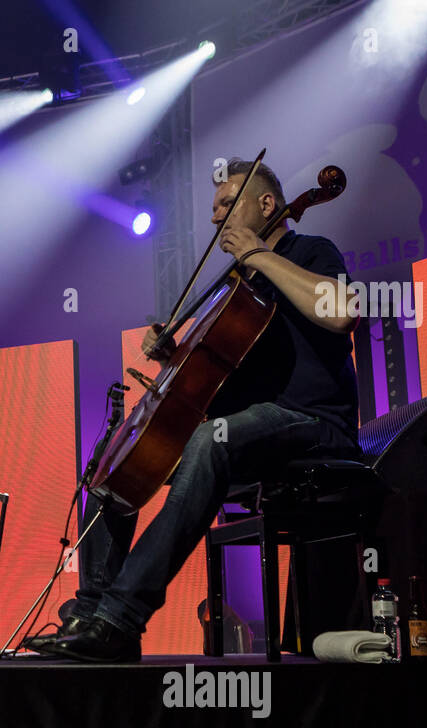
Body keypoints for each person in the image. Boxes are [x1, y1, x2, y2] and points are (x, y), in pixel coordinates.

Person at [46, 158, 362, 662]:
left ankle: (121, 618)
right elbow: (221, 365)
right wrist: (175, 354)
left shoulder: (309, 252)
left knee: (210, 438)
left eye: (225, 205)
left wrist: (260, 254)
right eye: (214, 208)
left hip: (311, 422)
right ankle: (90, 610)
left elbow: (343, 312)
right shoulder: (239, 283)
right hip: (247, 431)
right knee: (115, 456)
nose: (215, 218)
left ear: (265, 205)